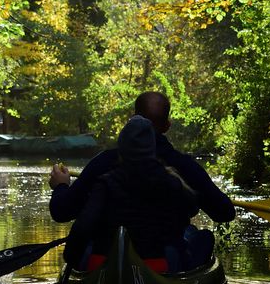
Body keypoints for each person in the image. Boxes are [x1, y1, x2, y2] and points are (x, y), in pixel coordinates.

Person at [49, 92, 235, 268]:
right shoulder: (180, 171)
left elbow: (62, 213)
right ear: (166, 126)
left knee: (91, 240)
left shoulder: (103, 167)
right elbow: (224, 213)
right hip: (161, 259)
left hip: (106, 255)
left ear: (128, 128)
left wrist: (62, 186)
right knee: (199, 236)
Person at [62, 115, 197, 273]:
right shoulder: (172, 182)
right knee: (197, 237)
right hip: (156, 266)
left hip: (102, 264)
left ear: (122, 148)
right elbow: (191, 210)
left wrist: (71, 260)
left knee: (89, 246)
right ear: (152, 149)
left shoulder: (105, 184)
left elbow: (83, 226)